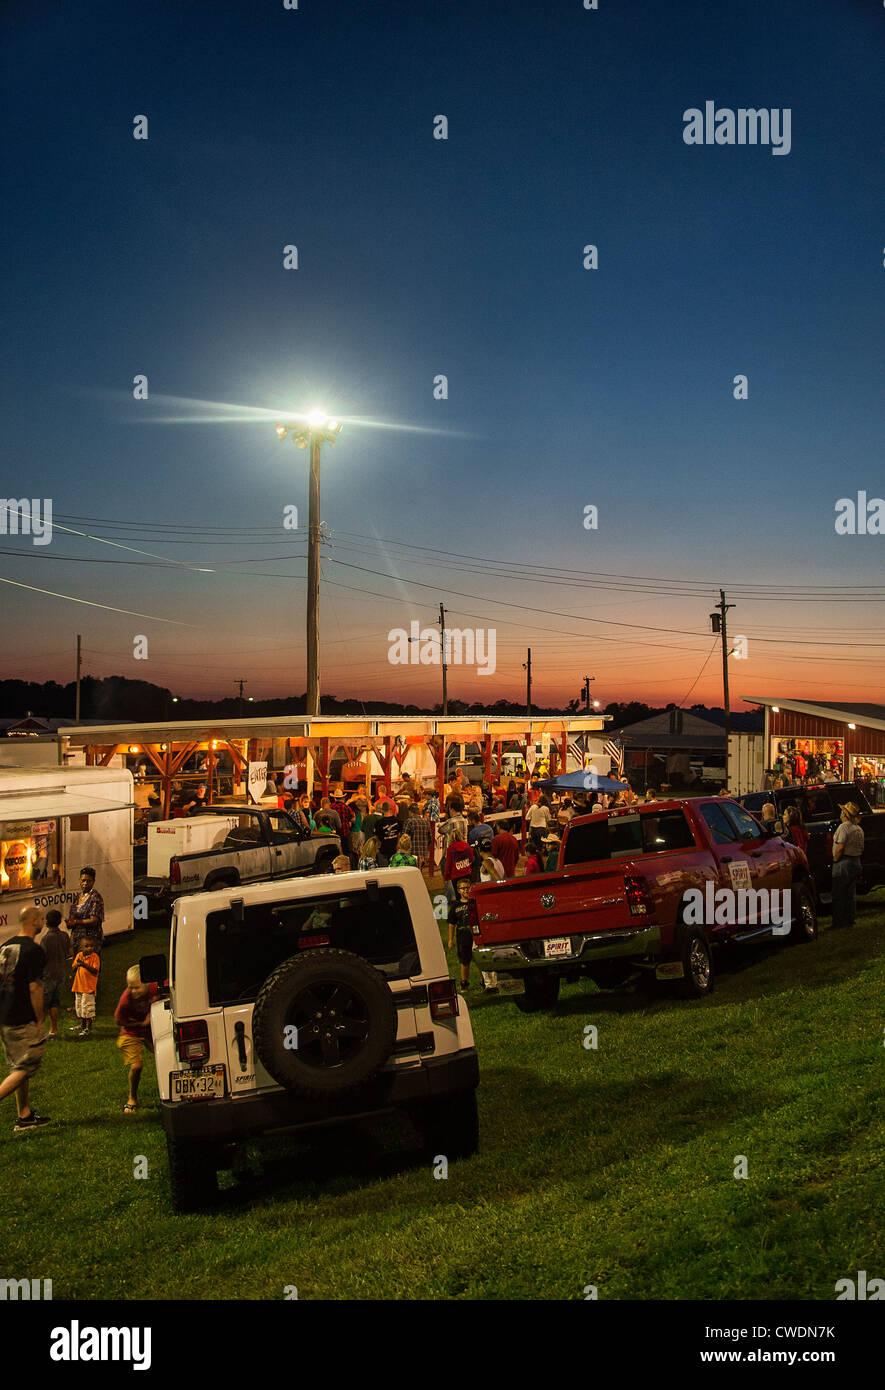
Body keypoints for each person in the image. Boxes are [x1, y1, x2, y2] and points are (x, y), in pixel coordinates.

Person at [0, 906, 51, 1132]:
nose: (43, 921)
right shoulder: (34, 950)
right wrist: (40, 1017)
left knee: (18, 1066)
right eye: (40, 917)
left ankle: (25, 1115)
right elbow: (35, 988)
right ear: (34, 920)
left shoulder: (4, 946)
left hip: (5, 1017)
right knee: (28, 1065)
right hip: (22, 1017)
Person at [115, 965, 158, 1114]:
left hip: (150, 1031)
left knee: (166, 1056)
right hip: (131, 1032)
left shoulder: (155, 987)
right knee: (136, 1066)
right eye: (130, 987)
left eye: (137, 987)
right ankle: (132, 1098)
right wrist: (140, 1024)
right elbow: (119, 1021)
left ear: (147, 983)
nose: (133, 991)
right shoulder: (126, 1000)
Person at [831, 801, 864, 929]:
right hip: (856, 861)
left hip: (844, 863)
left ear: (845, 814)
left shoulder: (843, 827)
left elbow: (840, 846)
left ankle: (838, 922)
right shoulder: (858, 829)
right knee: (850, 894)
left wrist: (835, 859)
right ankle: (850, 920)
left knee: (839, 894)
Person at [37, 909, 69, 1040]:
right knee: (54, 1004)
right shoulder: (65, 936)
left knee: (44, 1005)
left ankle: (39, 1032)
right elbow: (70, 952)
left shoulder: (46, 939)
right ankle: (53, 1030)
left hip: (48, 974)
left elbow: (41, 958)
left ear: (47, 922)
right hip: (61, 973)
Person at [66, 867, 105, 955]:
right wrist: (70, 922)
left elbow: (94, 920)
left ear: (93, 881)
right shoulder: (78, 897)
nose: (85, 883)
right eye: (83, 880)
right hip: (77, 939)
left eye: (89, 881)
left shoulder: (95, 897)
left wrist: (76, 921)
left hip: (90, 940)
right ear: (79, 880)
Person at [447, 877, 474, 992]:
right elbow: (452, 924)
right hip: (462, 936)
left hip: (474, 934)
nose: (466, 890)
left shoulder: (474, 903)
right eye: (463, 888)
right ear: (458, 891)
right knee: (464, 961)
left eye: (468, 888)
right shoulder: (455, 906)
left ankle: (486, 981)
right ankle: (464, 982)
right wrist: (450, 939)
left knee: (478, 958)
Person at [70, 936, 101, 1037]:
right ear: (81, 947)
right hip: (79, 986)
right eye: (86, 946)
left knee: (88, 1008)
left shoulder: (95, 957)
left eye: (91, 946)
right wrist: (77, 965)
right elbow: (73, 969)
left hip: (88, 987)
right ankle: (82, 1025)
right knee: (80, 1007)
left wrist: (84, 965)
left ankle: (88, 1028)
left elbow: (95, 971)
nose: (89, 948)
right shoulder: (79, 955)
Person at [444, 831, 474, 904]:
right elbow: (471, 858)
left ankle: (460, 910)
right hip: (467, 872)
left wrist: (447, 876)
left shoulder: (450, 848)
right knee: (468, 891)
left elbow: (449, 863)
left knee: (459, 894)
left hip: (456, 875)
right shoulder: (466, 845)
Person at [404, 803, 431, 868]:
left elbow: (404, 838)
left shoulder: (409, 821)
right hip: (423, 853)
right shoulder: (426, 822)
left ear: (410, 812)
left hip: (411, 854)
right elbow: (430, 838)